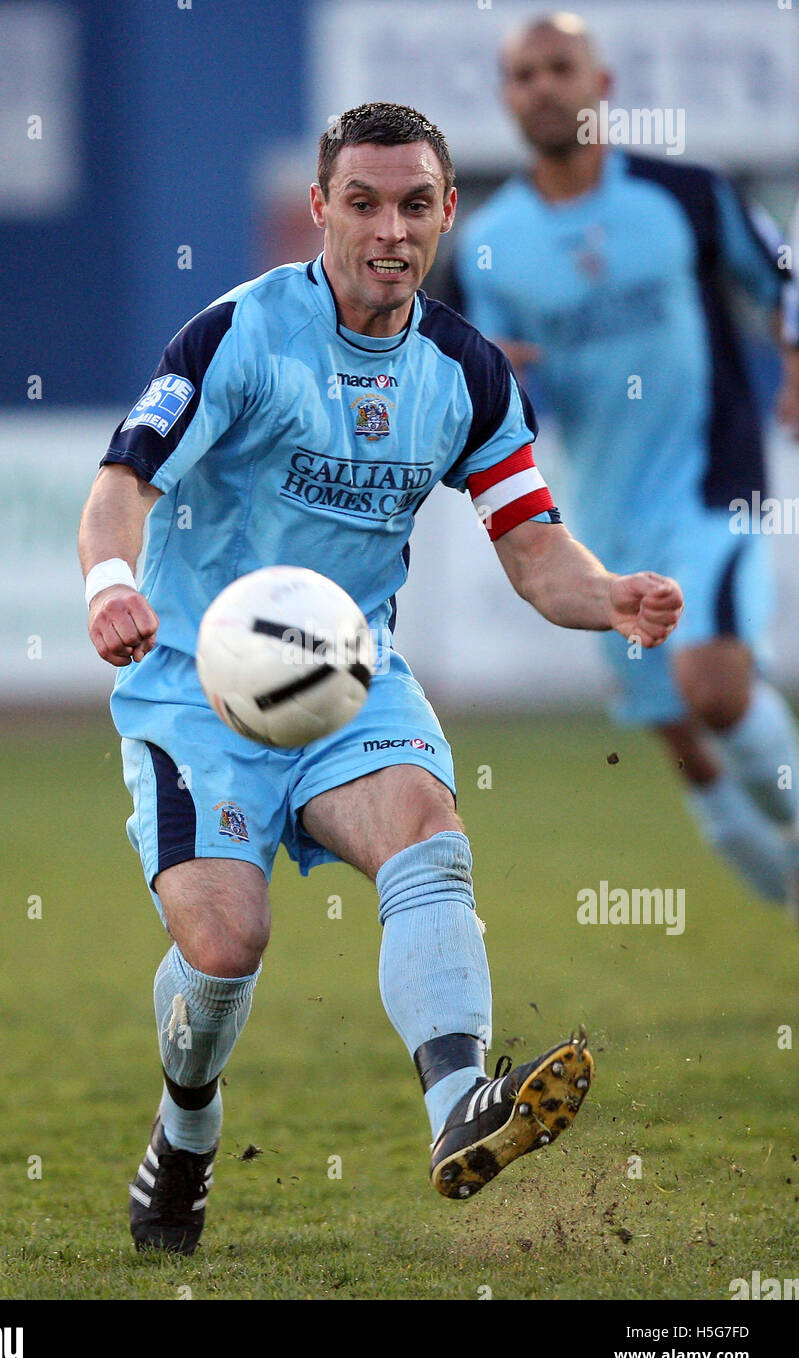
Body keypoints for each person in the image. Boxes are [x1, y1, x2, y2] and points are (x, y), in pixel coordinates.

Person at [78, 102, 682, 1255]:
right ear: (320, 210)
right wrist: (112, 579)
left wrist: (605, 596)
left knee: (425, 828)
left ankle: (461, 1102)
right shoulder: (240, 334)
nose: (390, 230)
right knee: (225, 943)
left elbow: (533, 547)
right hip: (196, 687)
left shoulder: (468, 372)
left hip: (348, 677)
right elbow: (121, 484)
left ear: (450, 213)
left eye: (416, 205)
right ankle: (186, 1128)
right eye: (363, 203)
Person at [454, 13, 799, 920]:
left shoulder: (685, 194)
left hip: (711, 488)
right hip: (600, 517)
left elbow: (783, 277)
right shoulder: (490, 243)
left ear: (601, 85)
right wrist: (495, 373)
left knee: (716, 686)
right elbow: (492, 388)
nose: (540, 87)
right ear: (505, 97)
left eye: (558, 67)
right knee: (688, 745)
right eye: (521, 75)